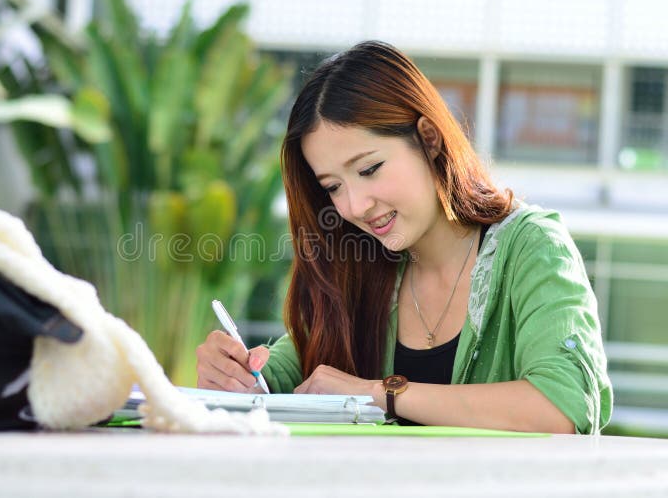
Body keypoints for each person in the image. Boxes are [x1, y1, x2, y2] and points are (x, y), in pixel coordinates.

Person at [195, 41, 612, 434]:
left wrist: (381, 393)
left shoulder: (532, 247)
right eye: (333, 187)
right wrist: (238, 376)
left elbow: (564, 405)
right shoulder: (360, 262)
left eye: (369, 169)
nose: (355, 206)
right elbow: (292, 373)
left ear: (429, 139)